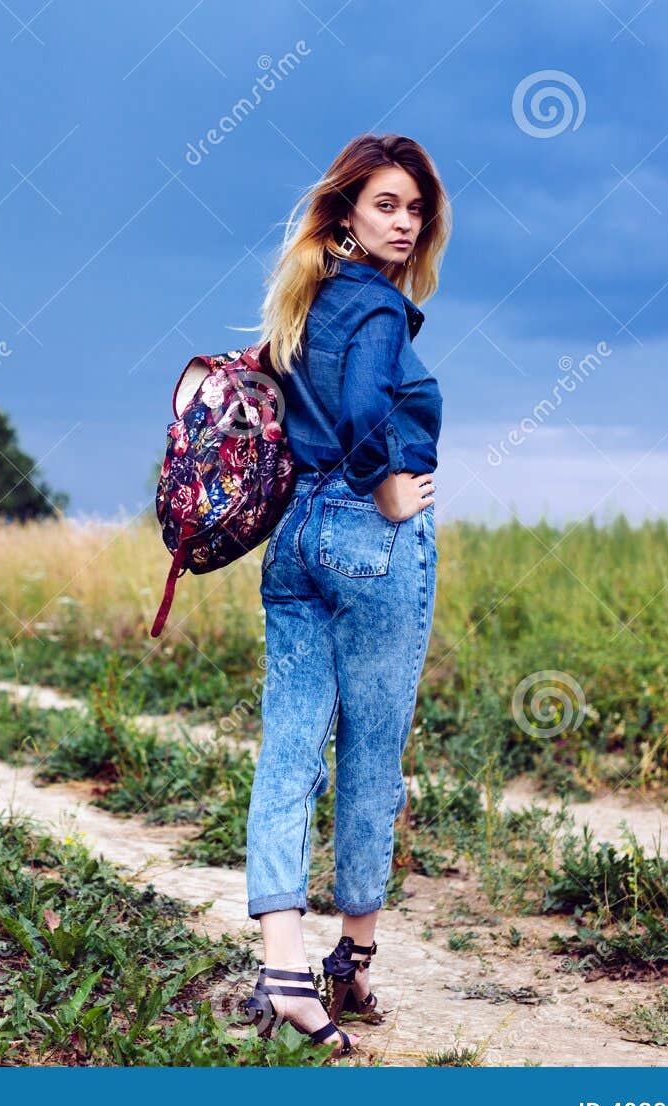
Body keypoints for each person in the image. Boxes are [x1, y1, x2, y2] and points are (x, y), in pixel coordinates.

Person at [238, 133, 448, 1057]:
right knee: (371, 752)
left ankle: (284, 963)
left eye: (415, 209)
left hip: (293, 543)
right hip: (369, 538)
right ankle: (352, 958)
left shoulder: (304, 301)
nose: (404, 224)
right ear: (349, 213)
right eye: (386, 205)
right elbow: (367, 412)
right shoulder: (374, 311)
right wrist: (389, 478)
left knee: (289, 745)